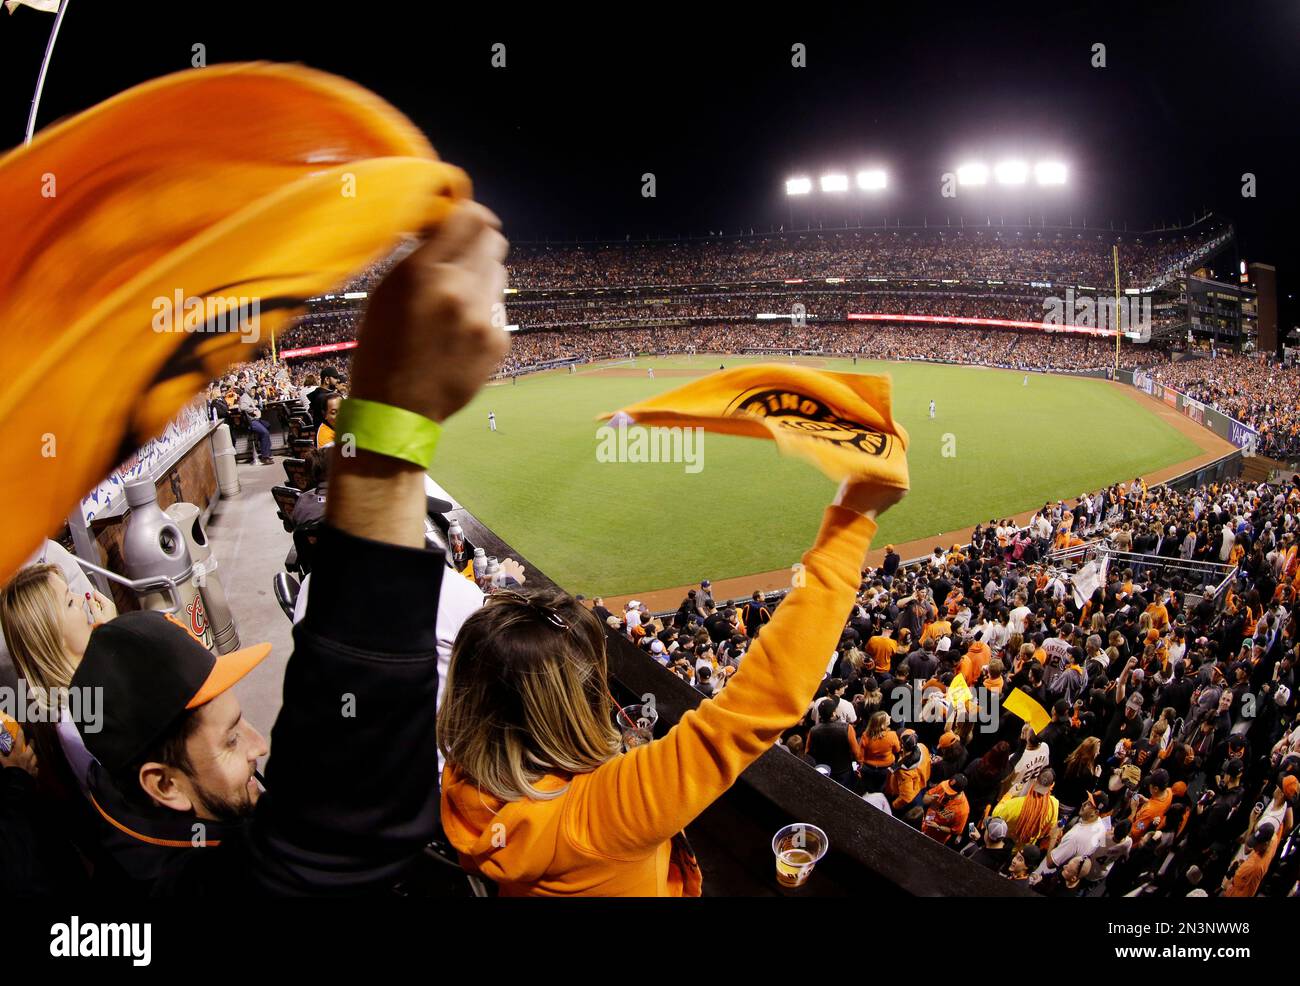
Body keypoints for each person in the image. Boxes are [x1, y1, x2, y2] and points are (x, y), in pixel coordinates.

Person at [64, 200, 511, 894]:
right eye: (233, 735)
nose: (260, 744)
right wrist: (391, 420)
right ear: (163, 783)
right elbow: (348, 825)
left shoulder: (157, 831)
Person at [438, 477, 905, 894]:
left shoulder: (461, 782)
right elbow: (762, 700)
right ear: (568, 706)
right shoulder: (607, 809)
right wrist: (851, 521)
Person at [237, 387, 275, 465]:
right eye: (252, 389)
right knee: (265, 433)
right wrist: (253, 410)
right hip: (251, 422)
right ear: (248, 389)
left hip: (255, 420)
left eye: (254, 390)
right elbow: (242, 407)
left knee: (267, 426)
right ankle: (265, 457)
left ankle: (266, 451)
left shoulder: (249, 397)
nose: (254, 391)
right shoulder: (244, 397)